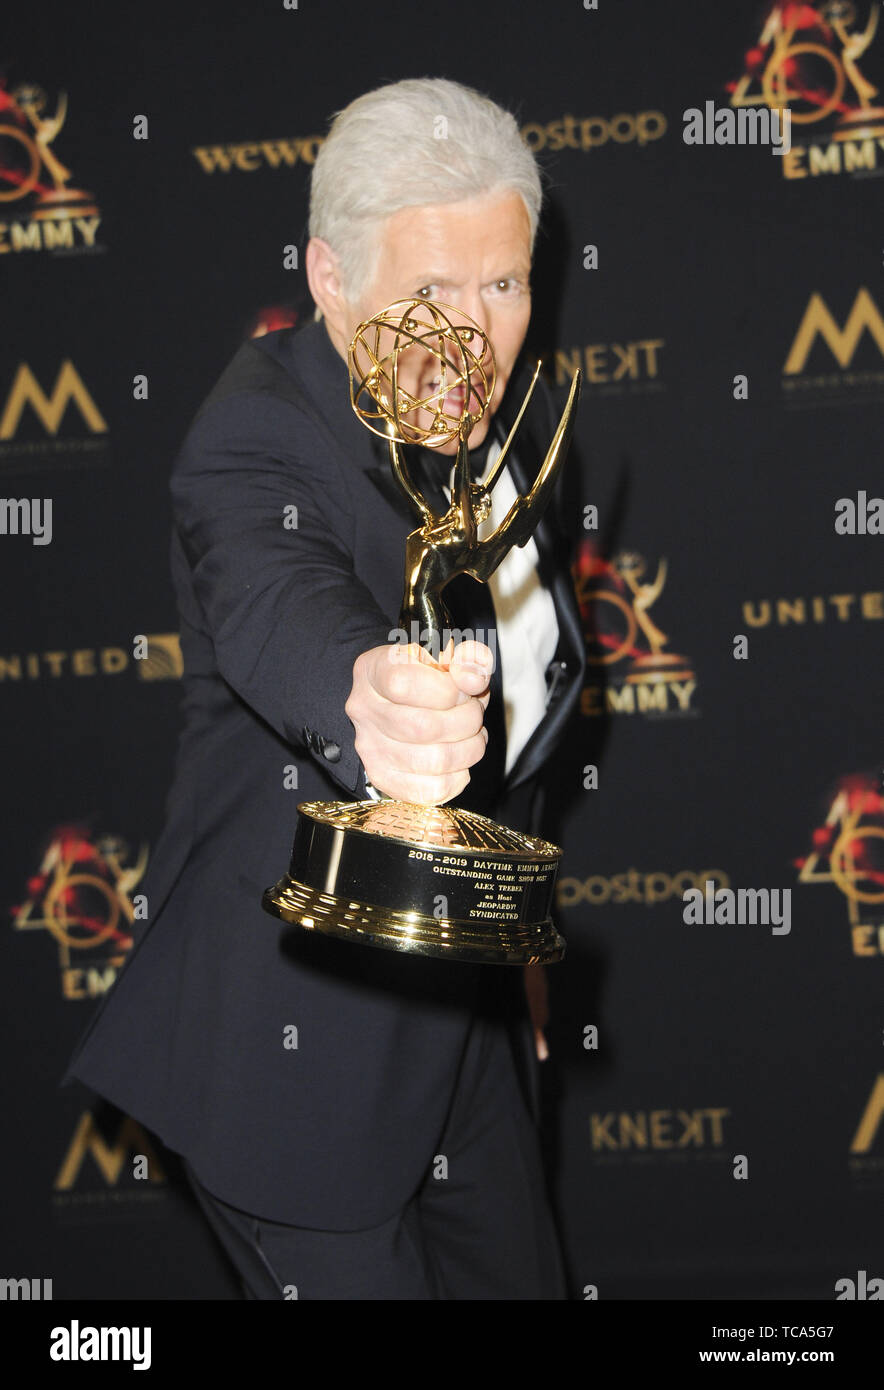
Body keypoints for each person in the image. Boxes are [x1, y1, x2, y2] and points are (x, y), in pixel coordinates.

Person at [63, 77, 586, 1300]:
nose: (475, 335)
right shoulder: (254, 434)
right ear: (331, 280)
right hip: (290, 1057)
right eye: (429, 293)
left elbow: (523, 702)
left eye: (502, 285)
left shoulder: (513, 433)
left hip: (465, 1034)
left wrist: (517, 965)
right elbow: (277, 594)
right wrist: (375, 695)